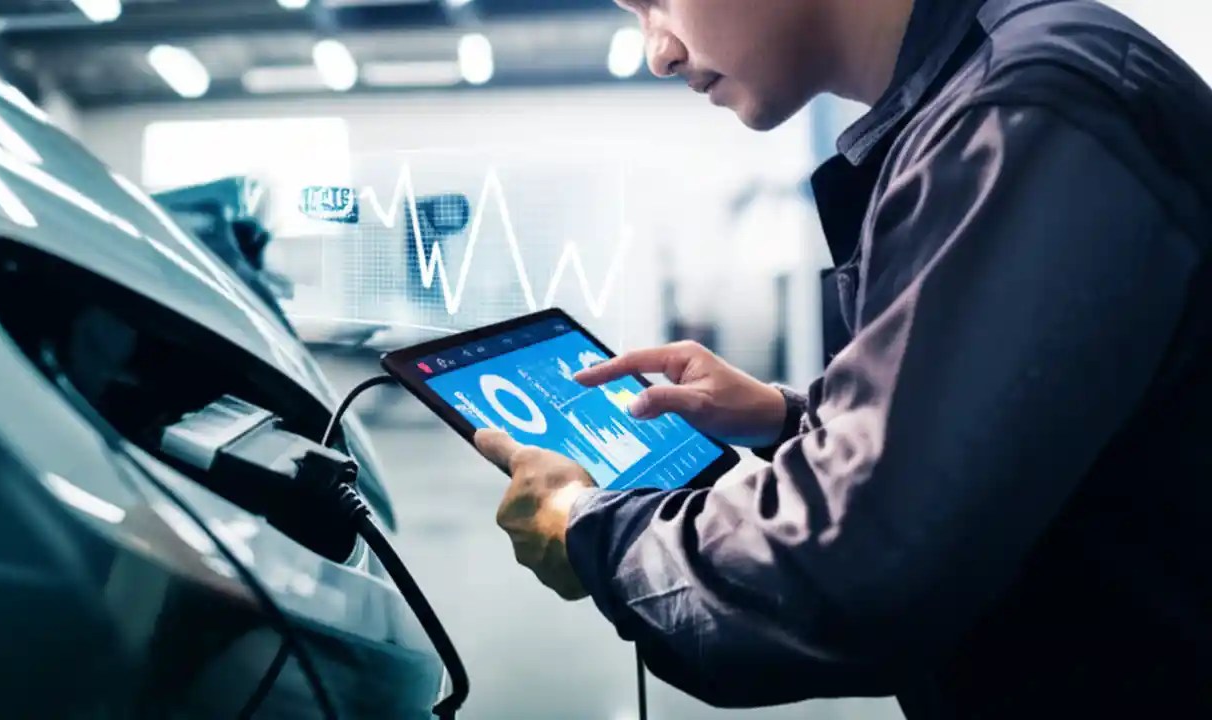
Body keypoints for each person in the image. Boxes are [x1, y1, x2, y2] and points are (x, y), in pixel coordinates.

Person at [474, 0, 1212, 716]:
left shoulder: (1021, 113)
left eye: (656, 2)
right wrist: (790, 417)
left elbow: (855, 570)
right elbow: (1022, 451)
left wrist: (585, 525)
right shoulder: (993, 96)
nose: (658, 52)